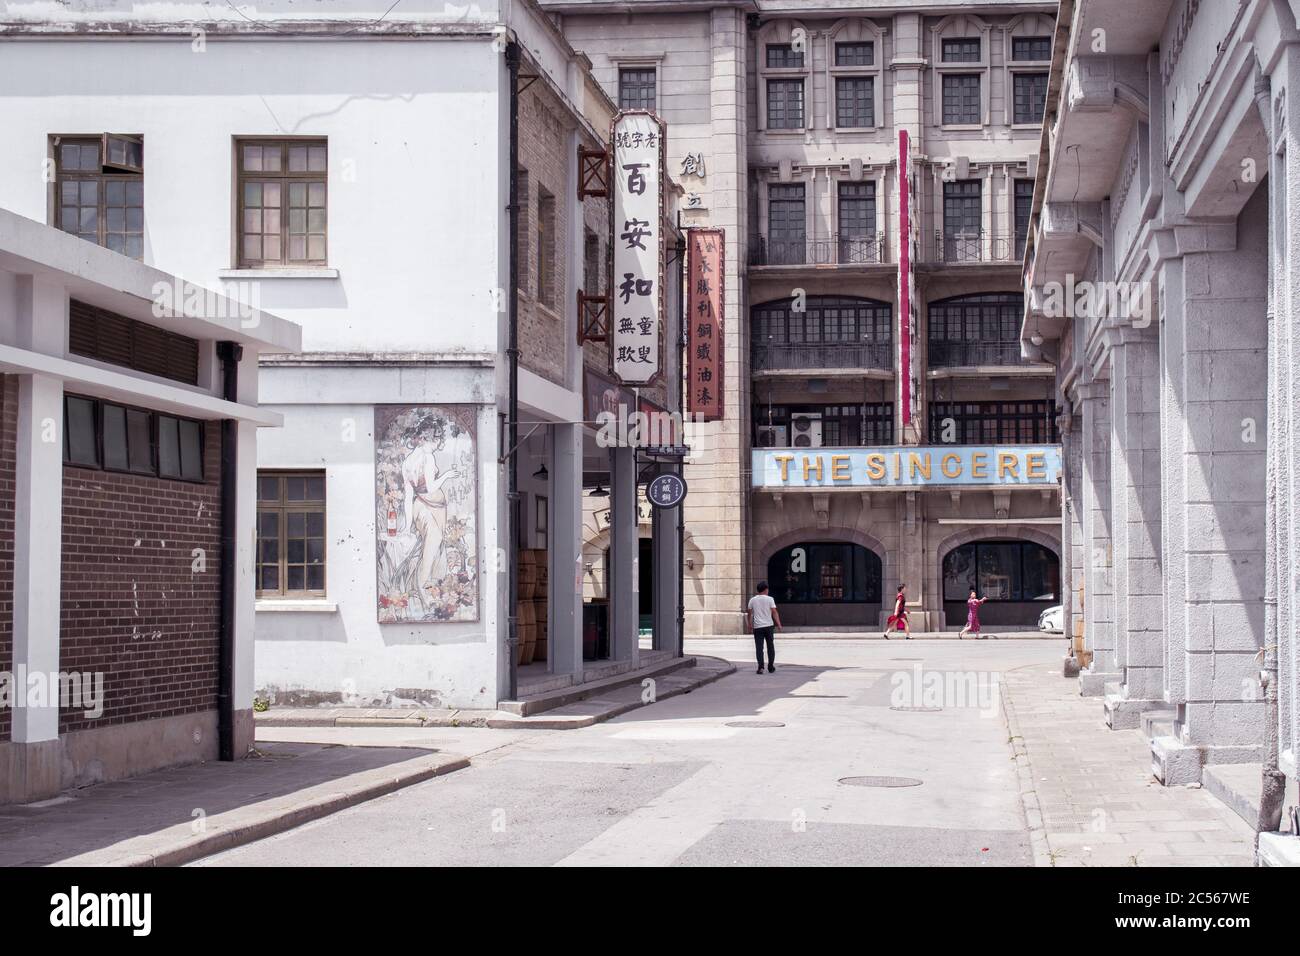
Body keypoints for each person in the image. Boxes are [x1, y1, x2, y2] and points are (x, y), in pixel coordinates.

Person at [746, 581, 781, 674]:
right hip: (769, 626)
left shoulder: (752, 600)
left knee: (759, 648)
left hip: (757, 627)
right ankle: (770, 666)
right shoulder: (770, 599)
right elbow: (774, 612)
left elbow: (749, 614)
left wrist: (749, 625)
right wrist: (779, 624)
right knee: (770, 647)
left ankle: (761, 667)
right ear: (766, 589)